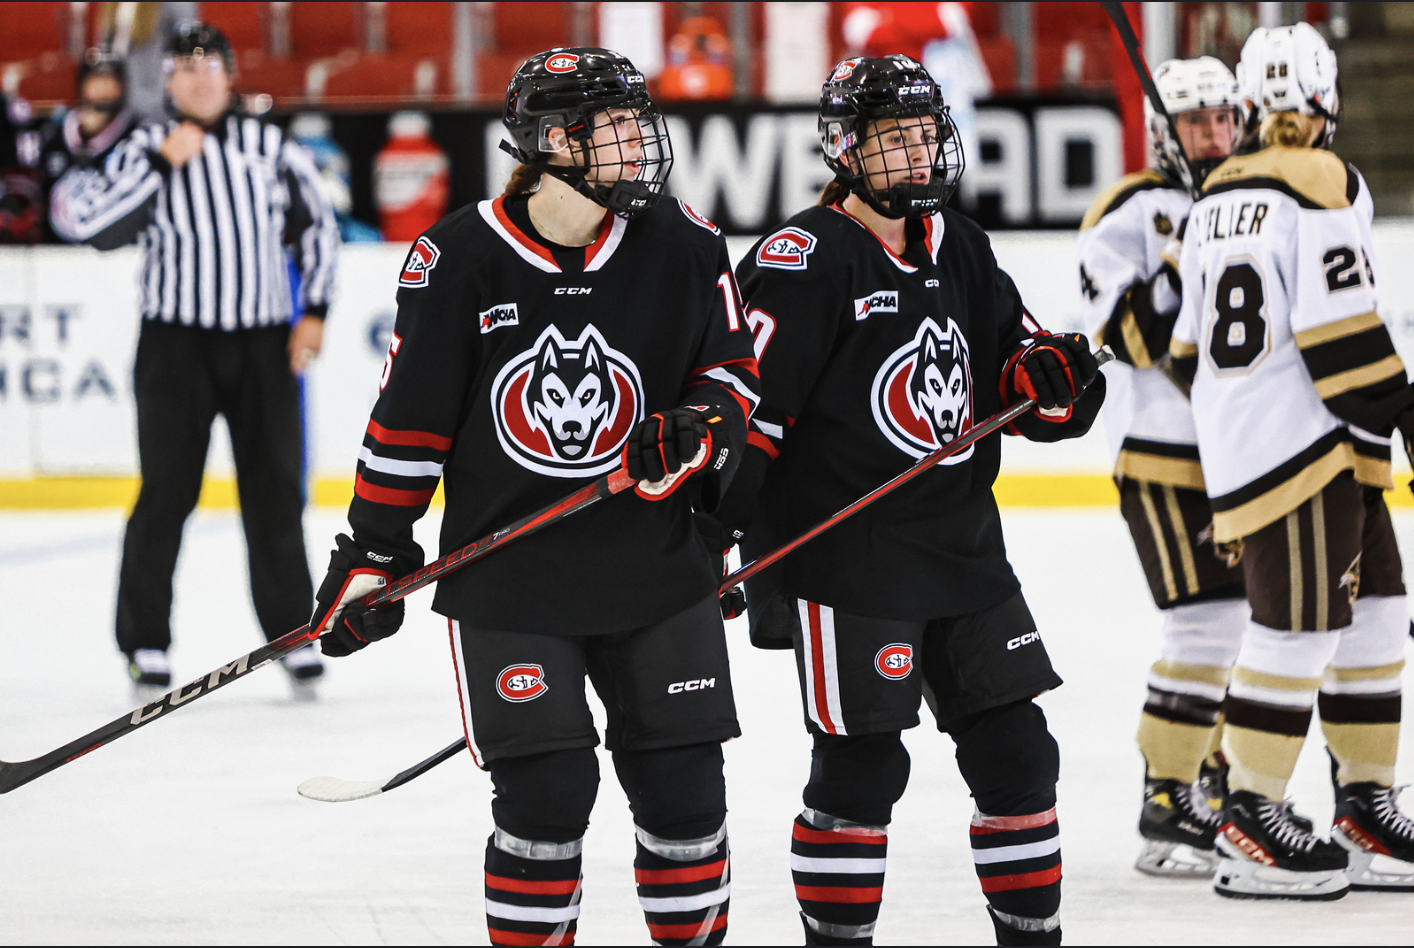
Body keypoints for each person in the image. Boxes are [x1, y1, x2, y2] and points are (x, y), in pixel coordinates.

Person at [307, 48, 759, 947]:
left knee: (685, 801)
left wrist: (700, 427)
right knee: (548, 801)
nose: (637, 142)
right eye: (614, 126)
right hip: (513, 585)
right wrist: (374, 552)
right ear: (554, 142)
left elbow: (734, 378)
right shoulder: (457, 258)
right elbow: (408, 427)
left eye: (635, 122)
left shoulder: (686, 241)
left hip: (659, 571)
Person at [713, 55, 1103, 946]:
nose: (916, 153)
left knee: (1019, 756)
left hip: (963, 548)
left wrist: (1054, 380)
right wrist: (714, 534)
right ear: (845, 149)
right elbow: (748, 418)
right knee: (861, 771)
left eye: (925, 134)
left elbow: (1020, 369)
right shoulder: (802, 258)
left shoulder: (959, 243)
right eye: (893, 138)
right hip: (848, 560)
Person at [1171, 22, 1414, 899]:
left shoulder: (1214, 192)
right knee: (1297, 629)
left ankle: (1366, 804)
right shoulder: (1323, 177)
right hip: (1309, 446)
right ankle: (1250, 816)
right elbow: (1341, 334)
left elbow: (1186, 350)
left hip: (1284, 441)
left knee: (1377, 611)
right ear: (1326, 97)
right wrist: (1405, 413)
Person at [49, 22, 338, 693]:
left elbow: (318, 228)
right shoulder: (144, 145)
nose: (200, 79)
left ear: (230, 76)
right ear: (168, 81)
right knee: (165, 493)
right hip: (175, 345)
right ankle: (145, 640)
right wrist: (160, 164)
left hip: (263, 342)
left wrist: (316, 311)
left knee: (274, 494)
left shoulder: (270, 146)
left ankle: (292, 633)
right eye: (185, 67)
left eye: (211, 66)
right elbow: (92, 226)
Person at [1076, 57, 1245, 877]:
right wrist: (1190, 244)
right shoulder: (1130, 211)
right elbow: (1134, 339)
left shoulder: (1251, 200)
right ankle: (1167, 799)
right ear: (1163, 131)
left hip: (1245, 456)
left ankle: (1214, 783)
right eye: (1195, 121)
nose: (1213, 134)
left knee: (1249, 632)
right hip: (1164, 457)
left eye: (1223, 118)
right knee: (1207, 624)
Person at [36, 49, 139, 243]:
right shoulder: (54, 133)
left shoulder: (137, 136)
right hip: (54, 251)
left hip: (116, 250)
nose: (103, 87)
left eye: (110, 79)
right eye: (97, 78)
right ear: (83, 83)